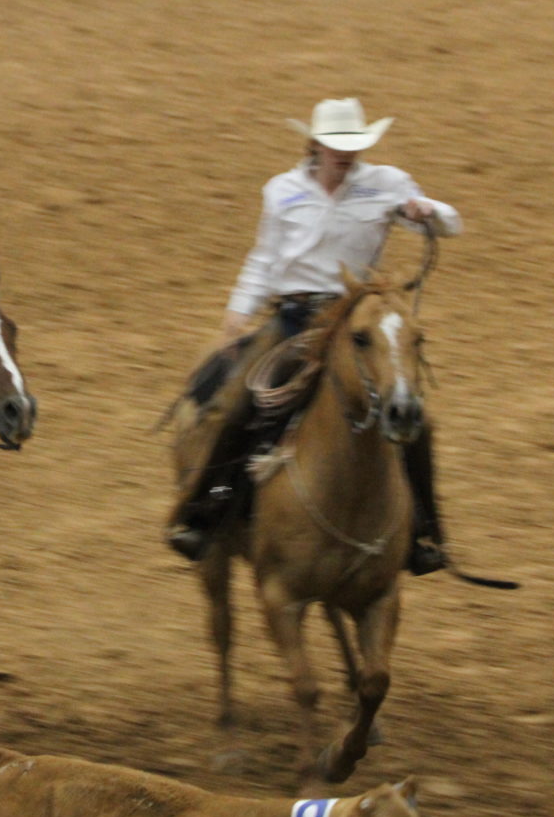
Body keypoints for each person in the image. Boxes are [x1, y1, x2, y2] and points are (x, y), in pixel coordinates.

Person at [166, 98, 461, 573]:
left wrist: (426, 208)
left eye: (353, 144)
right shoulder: (281, 191)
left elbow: (450, 225)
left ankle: (423, 531)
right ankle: (205, 508)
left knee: (414, 418)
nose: (345, 152)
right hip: (293, 320)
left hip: (352, 320)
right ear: (316, 144)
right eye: (335, 144)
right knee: (235, 404)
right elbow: (264, 258)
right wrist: (237, 315)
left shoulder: (386, 184)